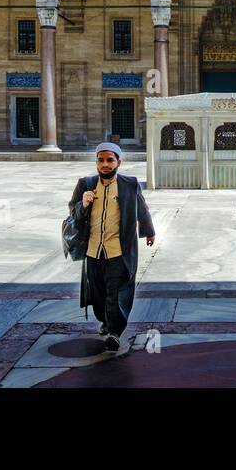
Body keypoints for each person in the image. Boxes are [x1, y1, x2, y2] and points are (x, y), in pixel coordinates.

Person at [68, 142, 156, 352]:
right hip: (93, 249)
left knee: (116, 291)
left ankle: (115, 332)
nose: (105, 164)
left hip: (119, 249)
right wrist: (84, 204)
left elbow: (141, 209)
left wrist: (149, 231)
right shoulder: (86, 184)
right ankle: (105, 322)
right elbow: (73, 212)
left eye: (110, 160)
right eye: (101, 160)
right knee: (98, 292)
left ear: (118, 162)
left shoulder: (129, 184)